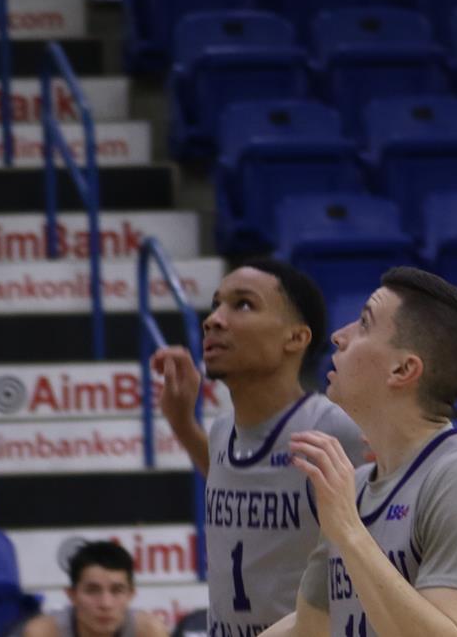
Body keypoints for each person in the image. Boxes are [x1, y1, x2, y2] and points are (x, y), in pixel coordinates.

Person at [264, 269, 457, 637]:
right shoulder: (359, 485)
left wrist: (349, 530)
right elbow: (310, 628)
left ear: (403, 369)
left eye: (364, 324)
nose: (339, 336)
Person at [152, 261, 364, 637]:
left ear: (296, 339)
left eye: (243, 305)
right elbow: (242, 482)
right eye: (216, 305)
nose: (213, 320)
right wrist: (183, 424)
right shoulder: (221, 430)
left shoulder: (335, 429)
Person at [18, 541, 168, 637]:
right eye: (93, 591)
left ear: (131, 595)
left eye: (117, 591)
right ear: (72, 595)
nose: (105, 604)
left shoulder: (150, 632)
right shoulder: (44, 633)